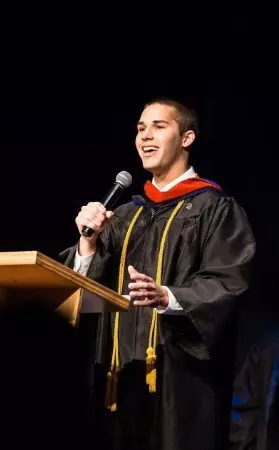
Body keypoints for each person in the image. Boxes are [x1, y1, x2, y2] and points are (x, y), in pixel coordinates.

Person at [59, 98, 256, 450]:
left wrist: (168, 297)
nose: (145, 136)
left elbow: (229, 282)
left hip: (181, 385)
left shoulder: (215, 209)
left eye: (158, 126)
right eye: (140, 128)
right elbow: (84, 294)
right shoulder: (121, 217)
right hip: (118, 382)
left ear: (187, 138)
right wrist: (86, 245)